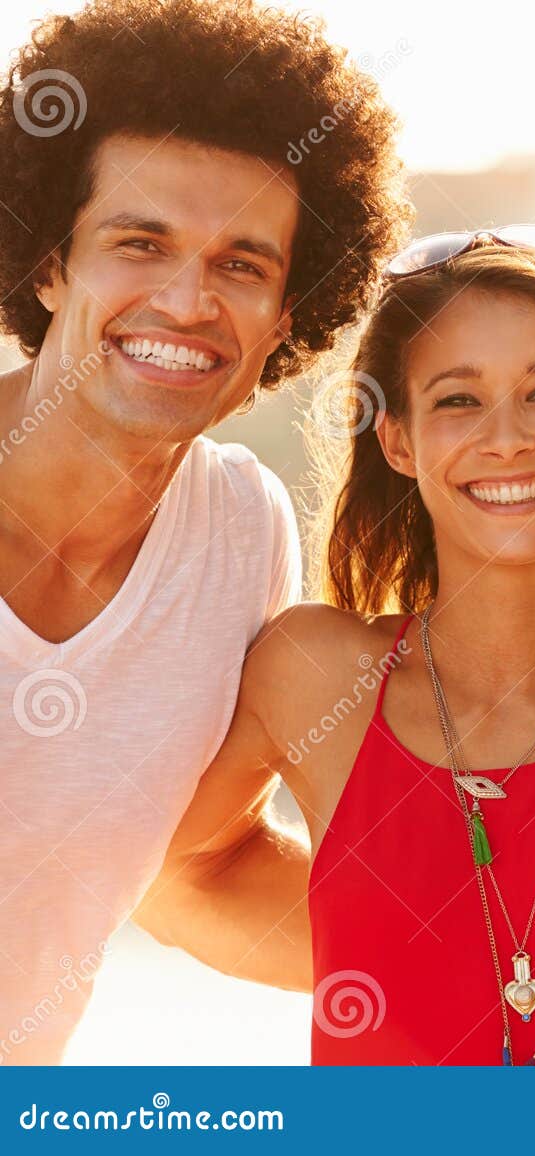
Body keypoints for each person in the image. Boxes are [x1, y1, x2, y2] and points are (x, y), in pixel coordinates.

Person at [197, 232, 535, 1065]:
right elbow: (179, 875)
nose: (505, 438)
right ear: (398, 440)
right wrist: (391, 962)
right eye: (458, 400)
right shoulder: (313, 675)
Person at [0, 0, 406, 1064]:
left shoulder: (237, 531)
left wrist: (524, 946)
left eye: (241, 265)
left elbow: (197, 873)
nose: (187, 301)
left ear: (285, 317)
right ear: (51, 265)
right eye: (140, 243)